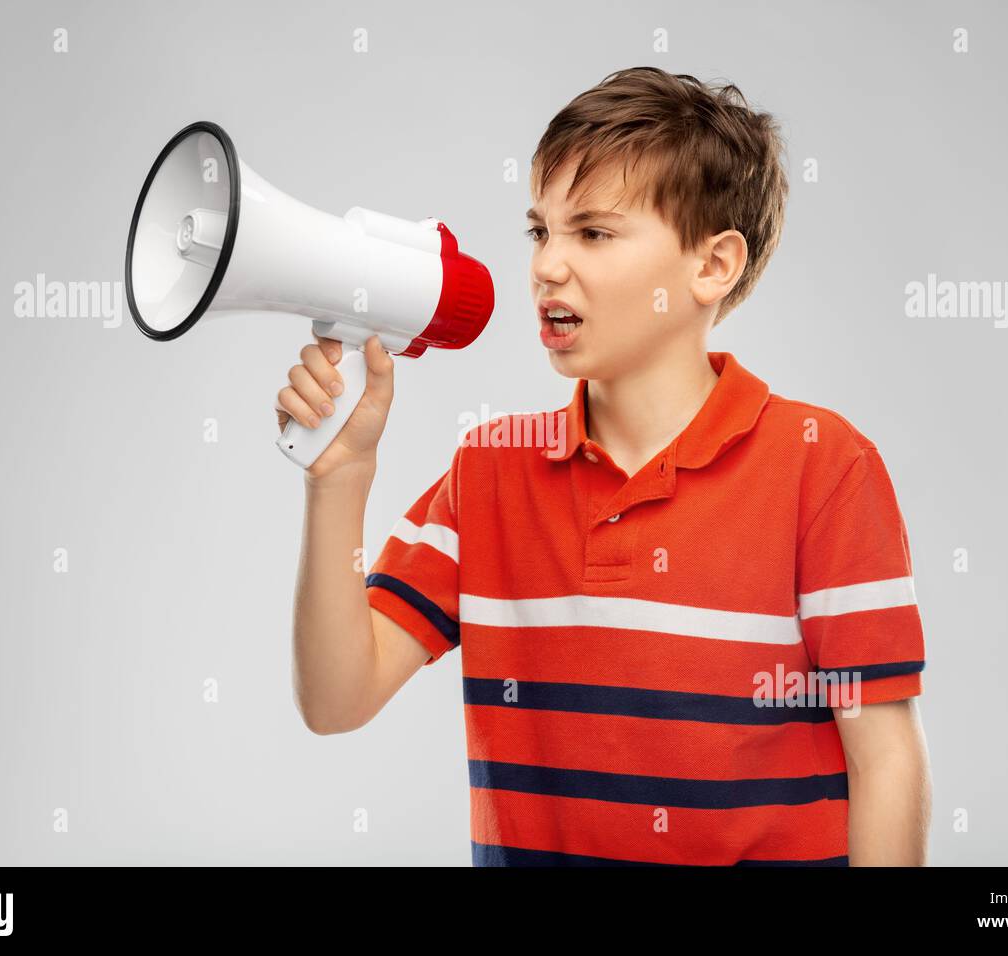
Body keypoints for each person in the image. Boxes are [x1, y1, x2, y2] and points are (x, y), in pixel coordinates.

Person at [279, 66, 930, 866]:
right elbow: (336, 700)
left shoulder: (823, 467)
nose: (548, 265)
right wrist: (339, 479)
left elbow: (886, 759)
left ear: (713, 266)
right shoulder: (489, 470)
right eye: (540, 231)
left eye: (592, 233)